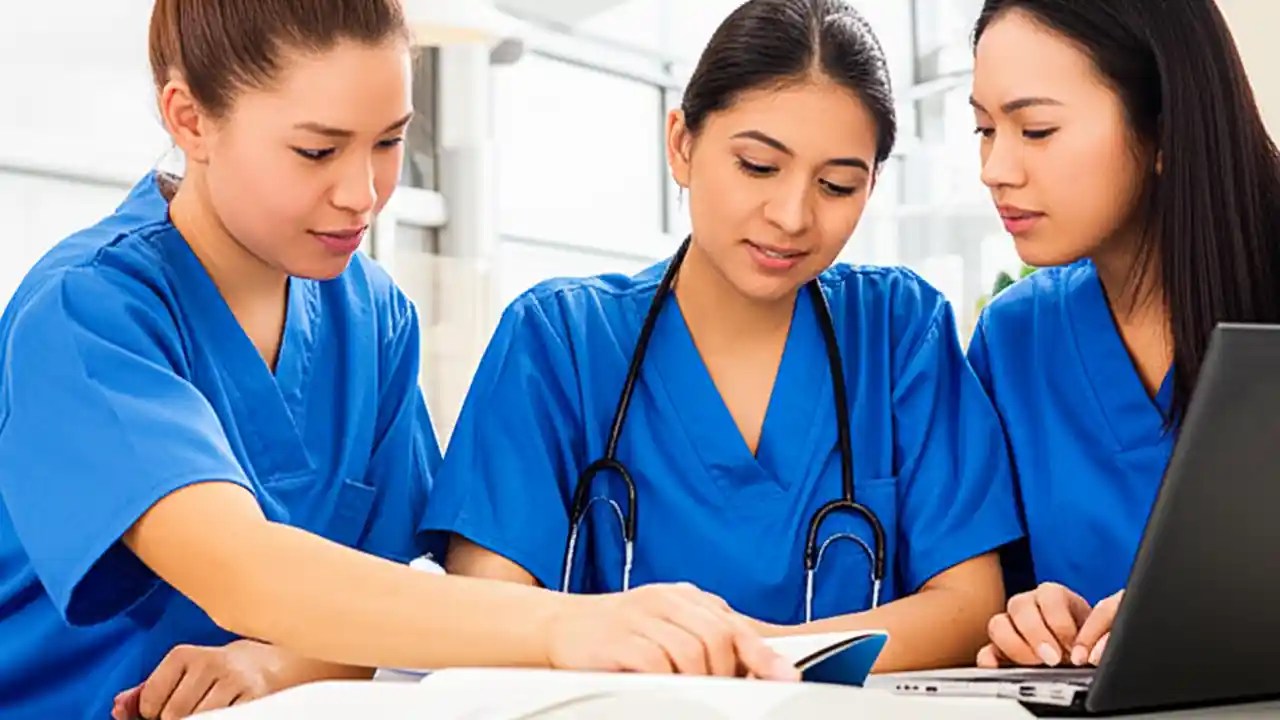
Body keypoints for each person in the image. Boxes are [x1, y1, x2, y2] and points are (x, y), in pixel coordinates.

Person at [0, 1, 798, 717]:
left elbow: (392, 589)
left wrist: (283, 663)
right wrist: (571, 621)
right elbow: (242, 571)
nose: (363, 192)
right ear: (190, 119)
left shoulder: (371, 317)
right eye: (318, 152)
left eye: (389, 142)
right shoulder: (87, 312)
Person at [422, 0, 1023, 674]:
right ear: (681, 144)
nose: (793, 216)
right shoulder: (559, 340)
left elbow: (971, 605)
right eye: (759, 167)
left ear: (873, 183)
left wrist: (752, 655)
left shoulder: (899, 331)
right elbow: (485, 607)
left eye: (836, 185)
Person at [967, 0, 1280, 669]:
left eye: (1037, 129)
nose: (996, 168)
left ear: (1166, 128)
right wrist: (1025, 619)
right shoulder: (1012, 338)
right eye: (984, 130)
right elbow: (991, 593)